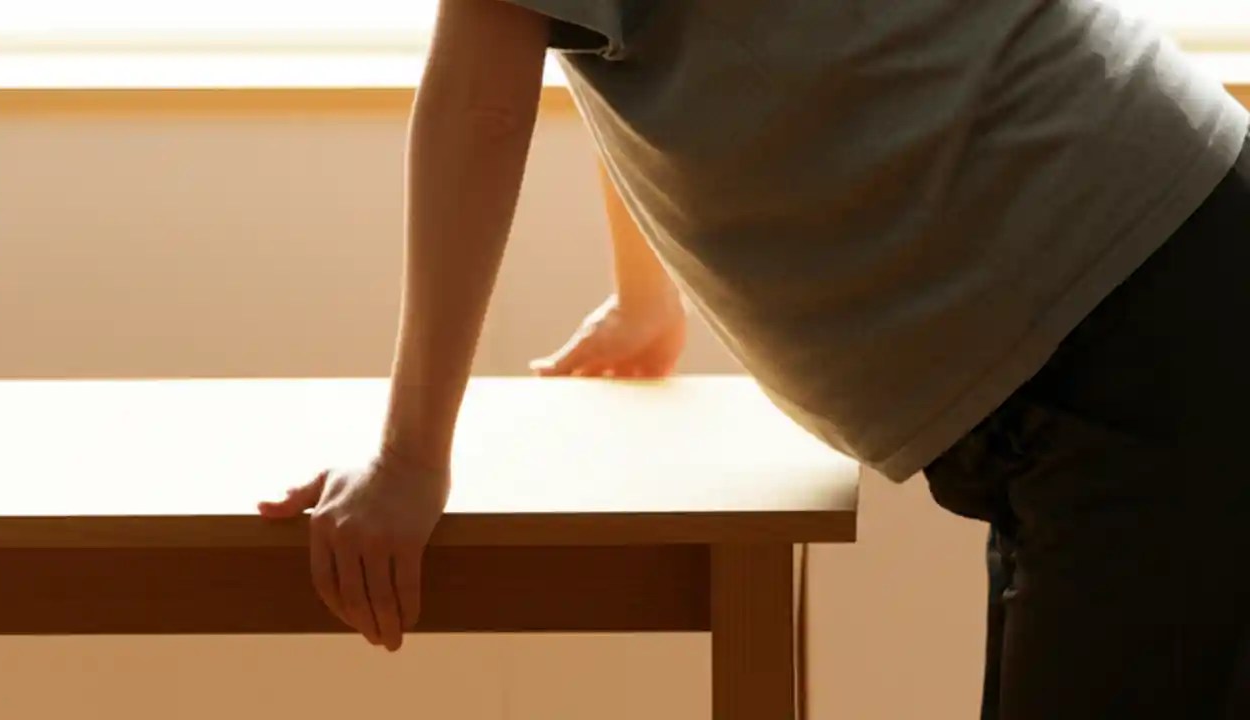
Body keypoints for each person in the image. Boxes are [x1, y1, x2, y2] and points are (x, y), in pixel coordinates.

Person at [256, 1, 1250, 717]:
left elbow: (482, 98)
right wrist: (645, 297)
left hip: (1140, 314)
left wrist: (408, 456)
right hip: (1134, 301)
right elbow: (624, 31)